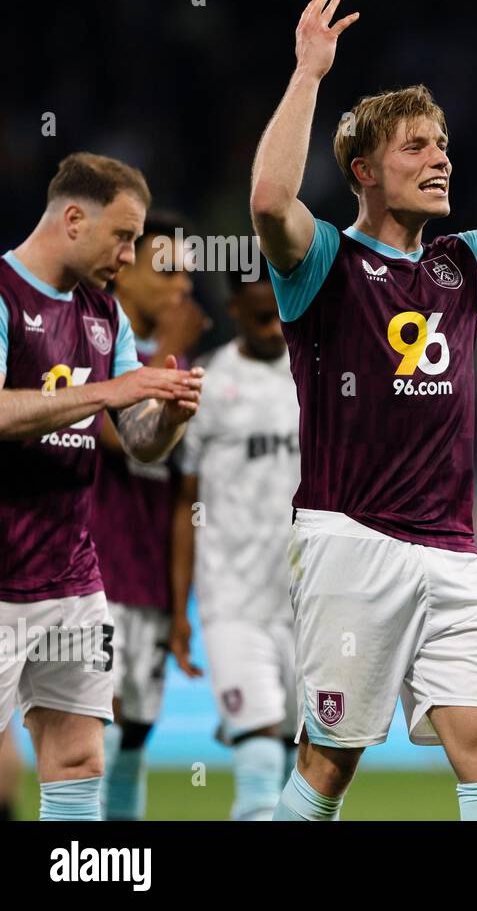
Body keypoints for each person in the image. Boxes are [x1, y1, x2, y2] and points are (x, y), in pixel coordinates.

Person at [249, 0, 477, 820]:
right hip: (350, 539)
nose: (439, 157)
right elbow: (271, 203)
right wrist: (310, 74)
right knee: (329, 760)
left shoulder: (466, 263)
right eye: (415, 146)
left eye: (444, 144)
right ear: (363, 172)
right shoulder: (323, 264)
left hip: (452, 554)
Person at [0, 153, 203, 820]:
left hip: (72, 579)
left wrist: (167, 418)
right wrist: (109, 389)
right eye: (123, 236)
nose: (130, 253)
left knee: (79, 758)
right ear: (75, 218)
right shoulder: (3, 292)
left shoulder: (104, 316)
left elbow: (137, 438)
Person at [171, 266, 301, 820]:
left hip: (309, 601)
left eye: (279, 312)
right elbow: (185, 504)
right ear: (235, 312)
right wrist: (179, 609)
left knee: (313, 770)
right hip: (232, 601)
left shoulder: (319, 373)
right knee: (258, 764)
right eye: (260, 316)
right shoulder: (208, 386)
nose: (274, 327)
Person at [91, 212, 207, 819]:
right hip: (93, 577)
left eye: (188, 273)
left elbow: (186, 502)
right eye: (169, 269)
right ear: (126, 269)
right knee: (96, 735)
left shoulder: (175, 364)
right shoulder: (93, 344)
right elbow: (120, 440)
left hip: (150, 587)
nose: (183, 285)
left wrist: (178, 603)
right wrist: (165, 353)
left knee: (134, 737)